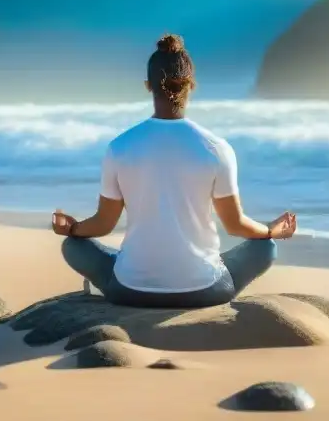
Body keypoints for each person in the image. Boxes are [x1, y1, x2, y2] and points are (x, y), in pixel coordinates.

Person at [52, 33, 296, 308]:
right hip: (206, 291)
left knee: (73, 245)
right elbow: (235, 225)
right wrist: (270, 230)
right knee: (265, 247)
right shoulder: (216, 148)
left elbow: (104, 224)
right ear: (191, 85)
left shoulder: (120, 147)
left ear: (148, 86)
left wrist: (72, 228)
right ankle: (201, 273)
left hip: (130, 290)